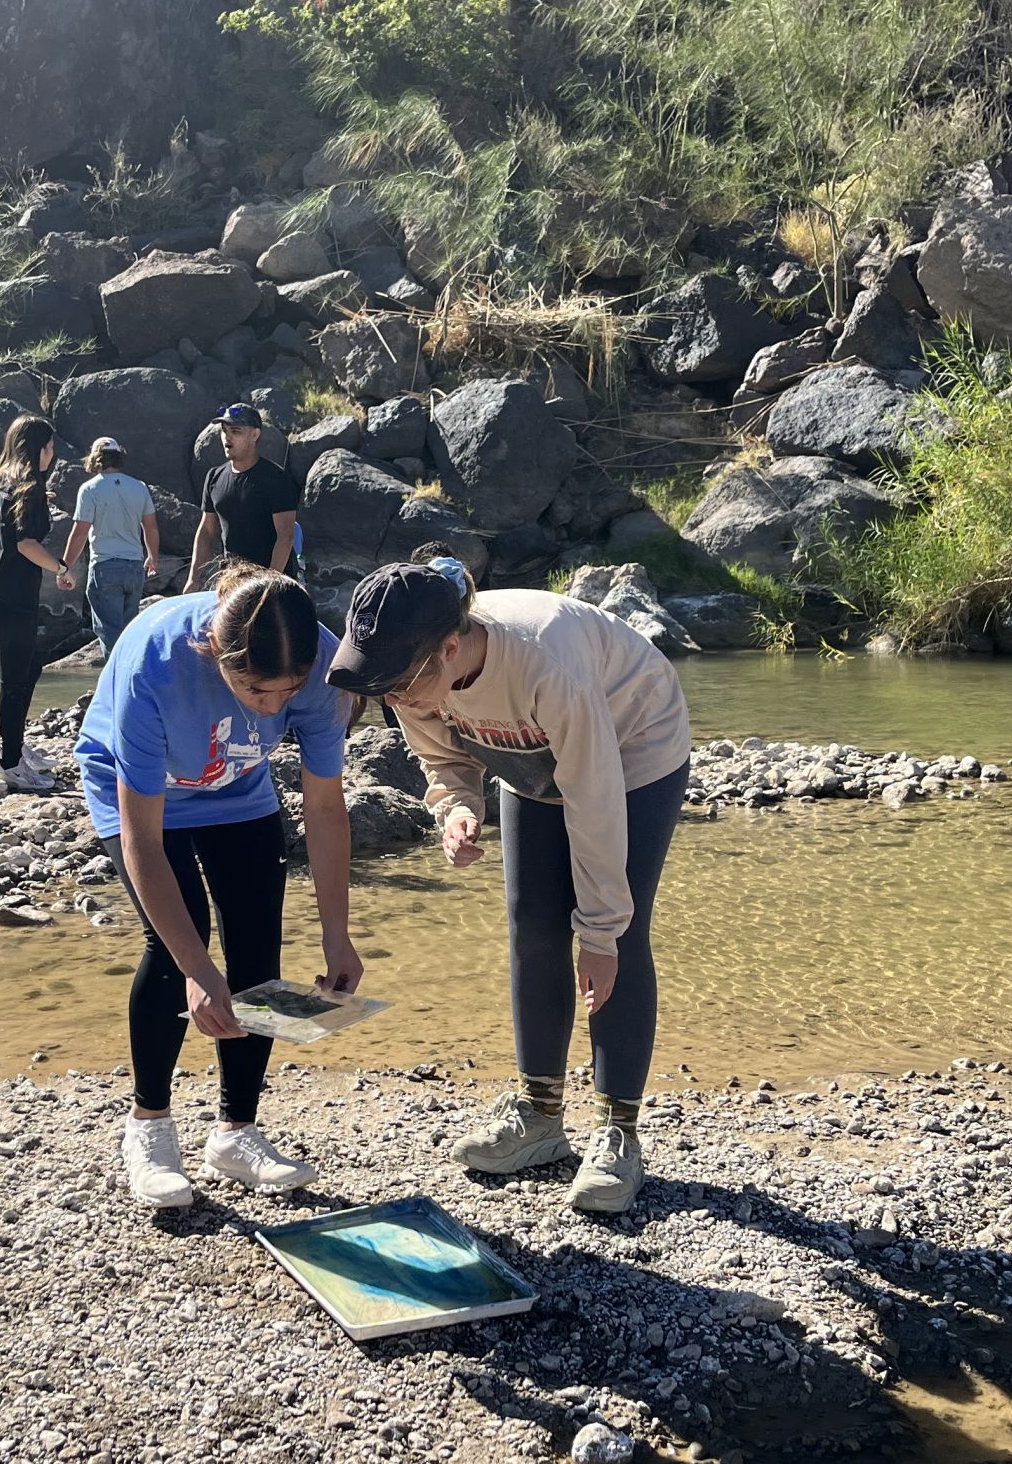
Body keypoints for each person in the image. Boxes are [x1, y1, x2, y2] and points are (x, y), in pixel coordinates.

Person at [327, 554, 691, 1215]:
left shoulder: (543, 660)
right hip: (528, 750)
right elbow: (443, 755)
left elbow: (594, 800)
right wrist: (457, 806)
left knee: (617, 933)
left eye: (403, 686)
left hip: (632, 746)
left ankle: (618, 1133)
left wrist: (601, 932)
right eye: (384, 689)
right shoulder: (407, 672)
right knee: (532, 924)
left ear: (450, 647)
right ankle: (539, 1116)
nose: (396, 701)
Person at [74, 562, 363, 1208]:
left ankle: (236, 1134)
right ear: (216, 655)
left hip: (235, 787)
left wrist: (338, 937)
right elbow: (143, 839)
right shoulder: (158, 663)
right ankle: (148, 1130)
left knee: (258, 953)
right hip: (139, 799)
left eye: (287, 694)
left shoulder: (316, 665)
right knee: (176, 945)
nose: (275, 708)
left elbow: (324, 809)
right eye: (257, 691)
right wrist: (197, 970)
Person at [0, 413, 72, 793]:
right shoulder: (26, 490)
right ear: (39, 449)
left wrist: (37, 500)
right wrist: (61, 567)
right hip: (12, 598)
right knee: (14, 682)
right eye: (50, 448)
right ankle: (10, 764)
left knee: (31, 667)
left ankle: (15, 744)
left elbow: (3, 524)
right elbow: (26, 544)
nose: (53, 455)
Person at [58, 435, 159, 654]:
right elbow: (150, 527)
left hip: (105, 567)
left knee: (110, 632)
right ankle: (131, 679)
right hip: (134, 568)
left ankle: (114, 684)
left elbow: (79, 533)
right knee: (128, 630)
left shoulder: (90, 489)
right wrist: (153, 556)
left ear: (95, 459)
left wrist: (64, 566)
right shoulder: (139, 487)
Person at [187, 403, 298, 589]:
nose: (227, 437)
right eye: (224, 431)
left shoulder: (276, 479)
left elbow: (286, 536)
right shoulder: (214, 477)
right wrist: (193, 579)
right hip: (231, 582)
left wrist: (269, 583)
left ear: (255, 435)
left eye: (235, 431)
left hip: (272, 582)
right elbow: (206, 531)